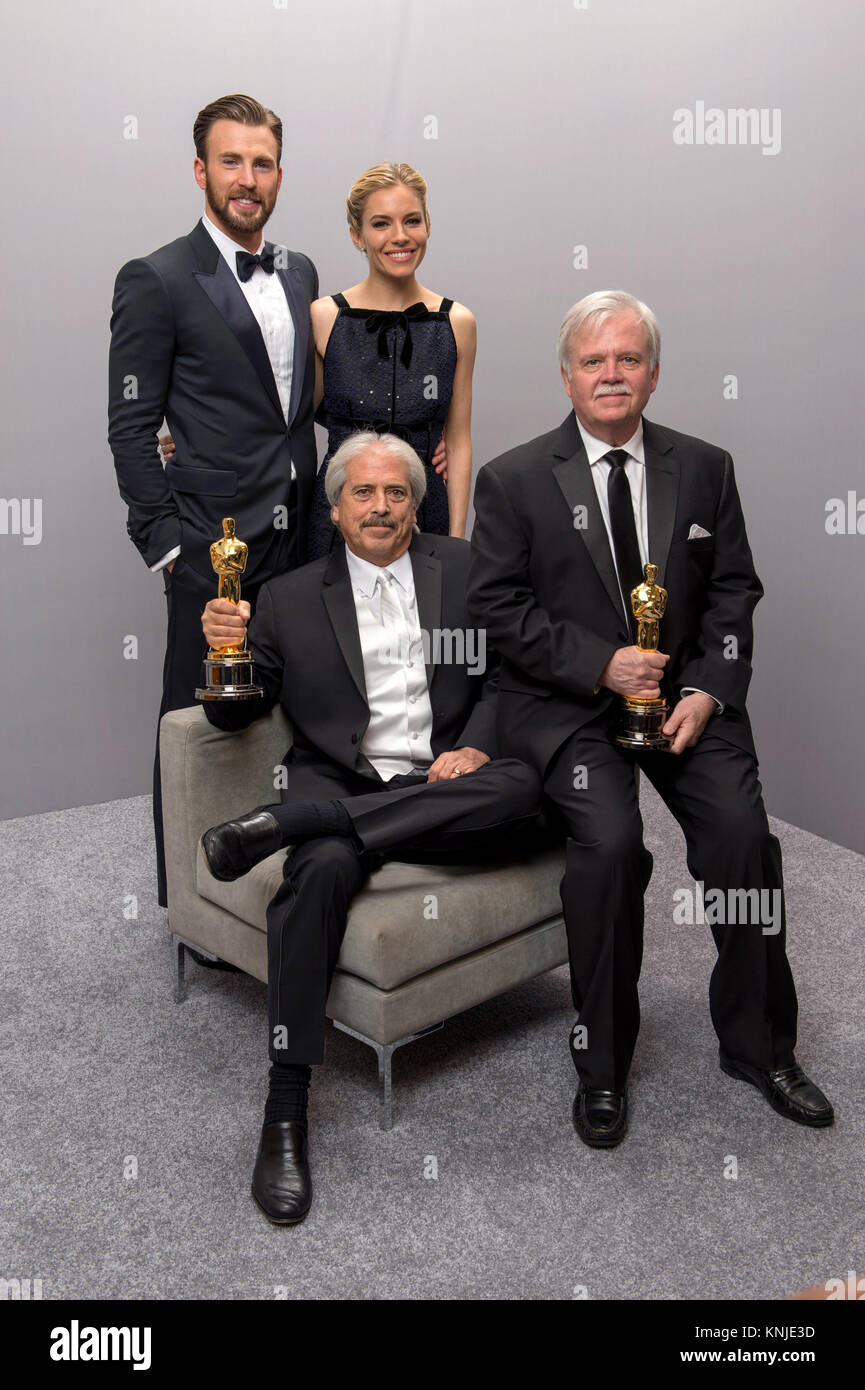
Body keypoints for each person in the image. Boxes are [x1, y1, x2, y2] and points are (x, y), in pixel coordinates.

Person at [467, 290, 833, 1149]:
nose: (610, 374)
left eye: (627, 359)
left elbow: (734, 591)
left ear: (653, 373)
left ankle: (758, 1046)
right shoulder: (513, 480)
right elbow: (495, 608)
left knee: (743, 838)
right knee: (609, 850)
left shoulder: (704, 466)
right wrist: (598, 662)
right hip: (571, 707)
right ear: (566, 375)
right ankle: (601, 1064)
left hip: (684, 699)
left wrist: (709, 689)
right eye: (593, 360)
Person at [198, 431, 542, 1223]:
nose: (380, 507)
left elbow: (507, 673)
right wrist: (223, 656)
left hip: (454, 779)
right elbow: (236, 712)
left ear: (415, 505)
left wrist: (478, 743)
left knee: (529, 788)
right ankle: (285, 1110)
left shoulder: (462, 568)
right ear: (335, 505)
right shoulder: (285, 597)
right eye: (363, 492)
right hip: (352, 782)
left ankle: (292, 823)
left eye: (395, 493)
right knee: (315, 872)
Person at [108, 93, 318, 908]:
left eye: (261, 162)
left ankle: (286, 884)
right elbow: (130, 427)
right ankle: (191, 905)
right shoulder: (156, 278)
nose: (246, 178)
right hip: (214, 545)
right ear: (200, 170)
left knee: (298, 707)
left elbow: (295, 403)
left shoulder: (298, 270)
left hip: (303, 537)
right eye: (230, 161)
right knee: (196, 719)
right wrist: (168, 542)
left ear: (277, 174)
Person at [306, 162, 476, 559]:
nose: (400, 237)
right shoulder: (324, 315)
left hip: (423, 504)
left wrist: (454, 541)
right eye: (381, 224)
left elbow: (459, 441)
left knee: (425, 619)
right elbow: (291, 421)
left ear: (428, 225)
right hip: (341, 507)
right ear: (356, 235)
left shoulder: (458, 322)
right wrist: (207, 436)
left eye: (411, 220)